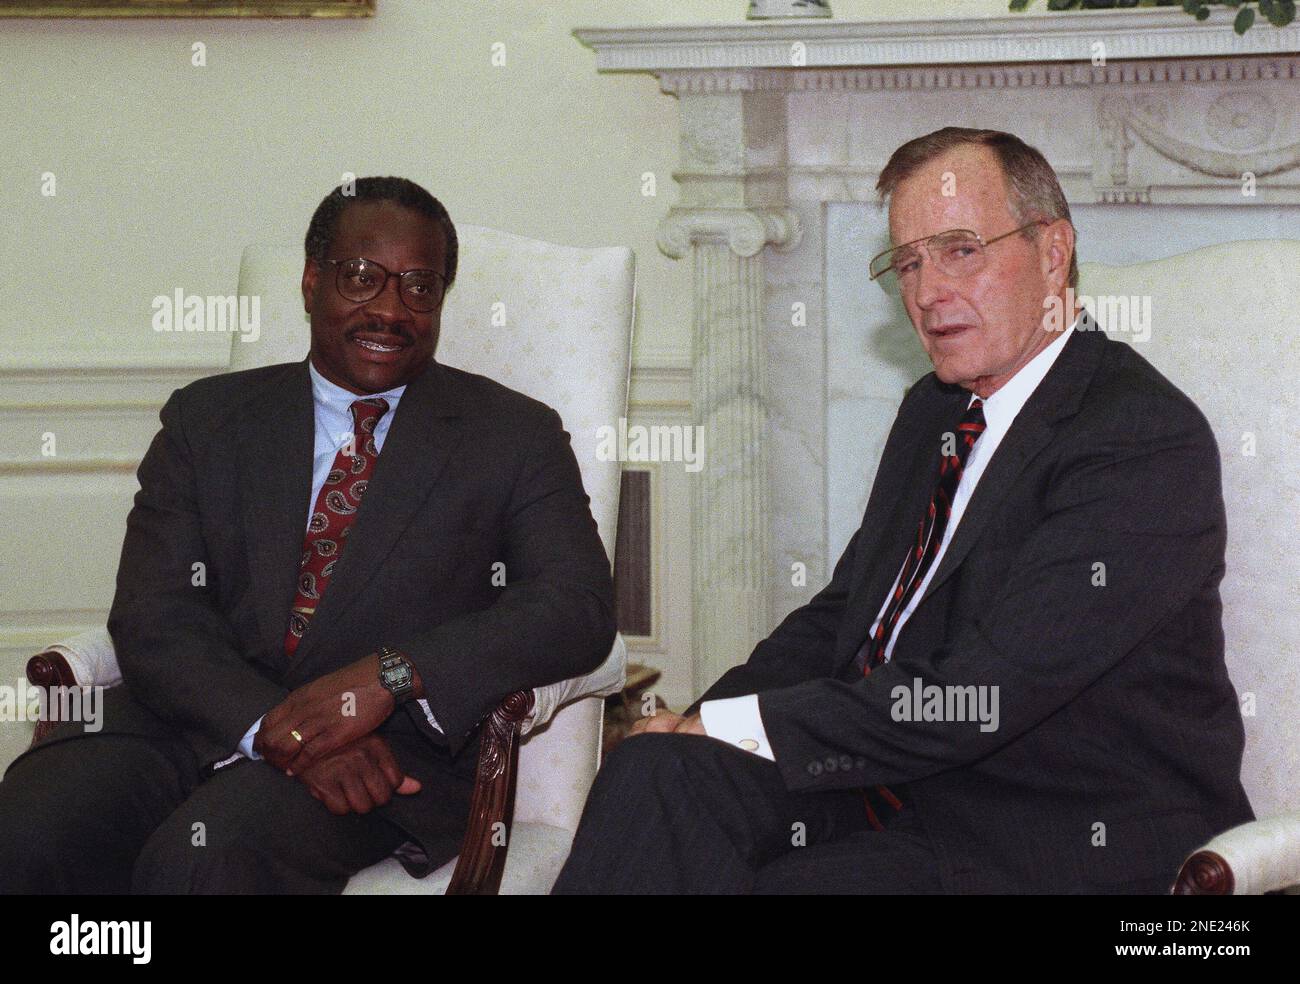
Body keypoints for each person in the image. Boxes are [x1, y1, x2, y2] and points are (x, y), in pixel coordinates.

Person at [552, 127, 1253, 895]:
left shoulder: (1136, 437)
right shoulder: (935, 412)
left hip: (1058, 831)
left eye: (960, 251)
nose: (926, 293)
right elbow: (846, 617)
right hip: (898, 785)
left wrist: (742, 728)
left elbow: (983, 694)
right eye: (909, 263)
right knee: (656, 773)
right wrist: (702, 718)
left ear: (1053, 253)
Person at [0, 176, 616, 894]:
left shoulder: (512, 435)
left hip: (383, 758)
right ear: (311, 280)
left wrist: (390, 675)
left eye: (420, 287)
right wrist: (278, 729)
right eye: (361, 276)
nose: (390, 309)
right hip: (188, 720)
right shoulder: (208, 420)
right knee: (30, 831)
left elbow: (575, 606)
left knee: (201, 862)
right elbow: (154, 613)